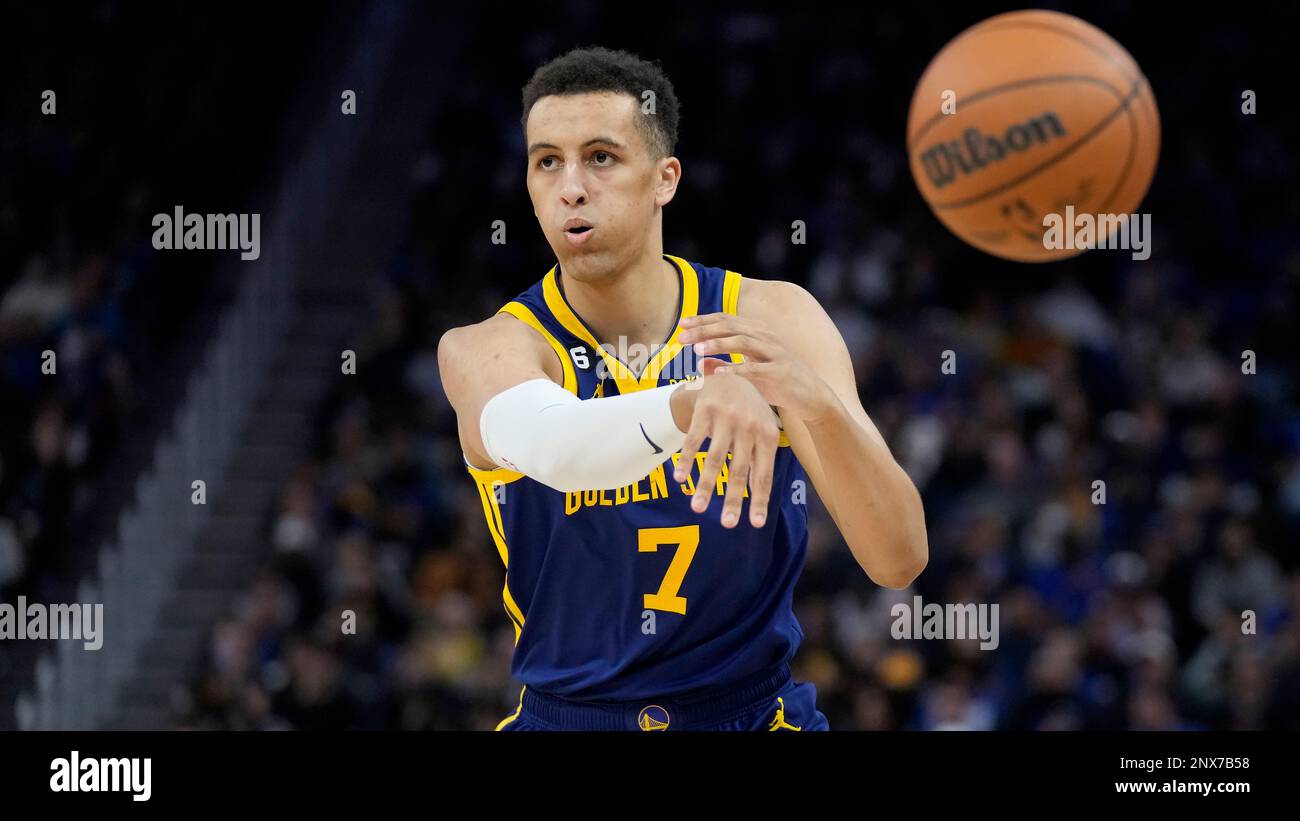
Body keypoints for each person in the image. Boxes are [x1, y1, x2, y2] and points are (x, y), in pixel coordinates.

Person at [437, 47, 928, 731]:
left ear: (665, 178)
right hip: (571, 717)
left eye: (601, 157)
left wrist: (817, 405)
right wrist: (691, 401)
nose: (571, 186)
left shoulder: (771, 318)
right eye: (547, 160)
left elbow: (898, 558)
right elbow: (558, 445)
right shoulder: (485, 348)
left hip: (753, 714)